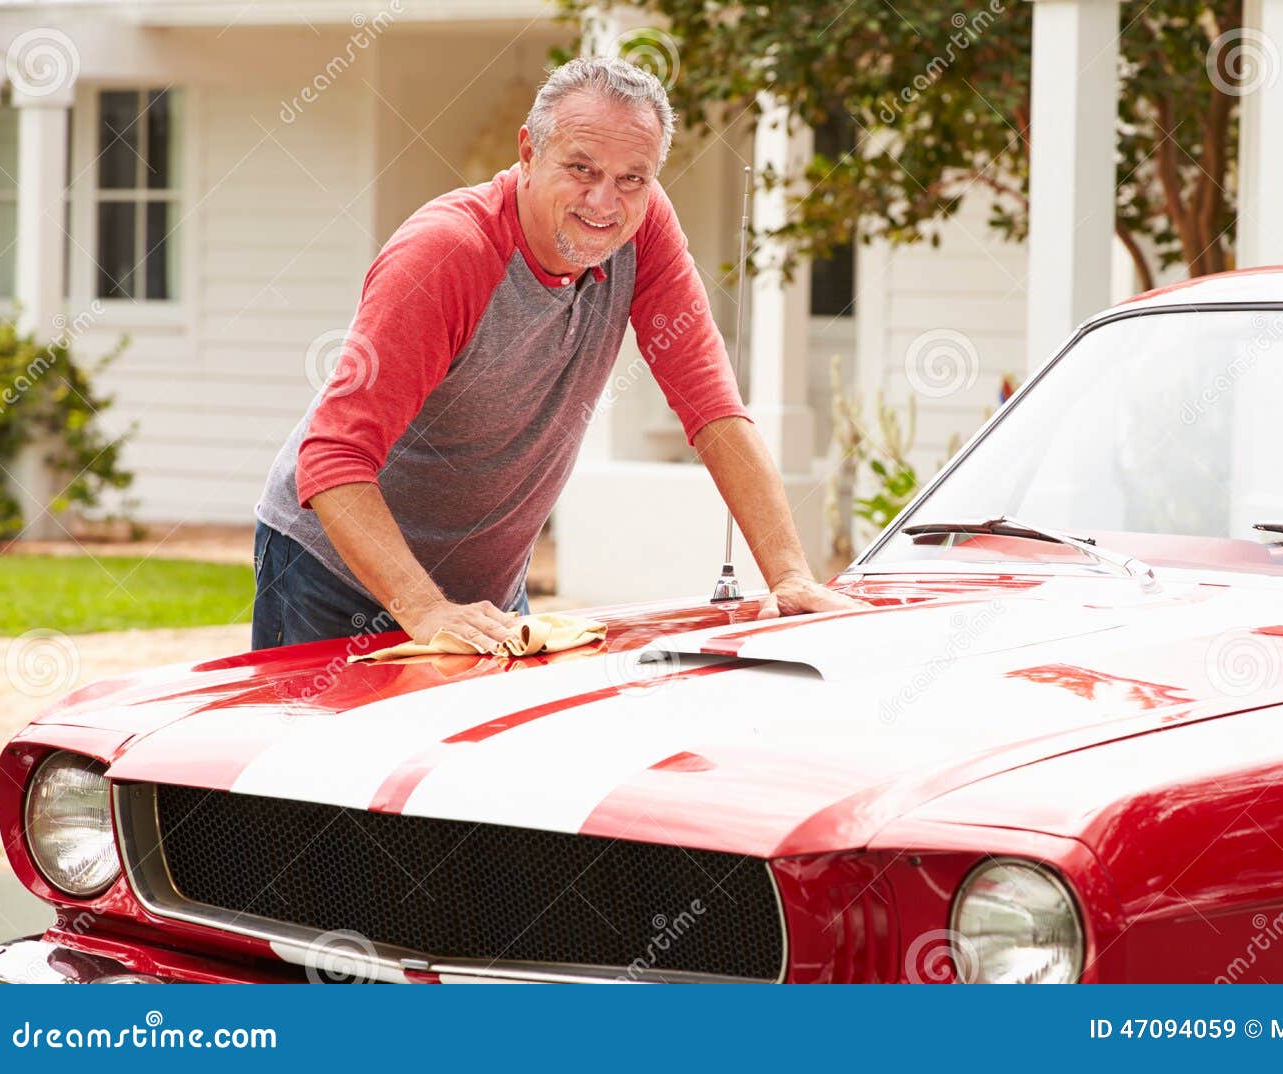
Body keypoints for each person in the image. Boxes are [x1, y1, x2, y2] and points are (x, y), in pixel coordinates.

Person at [251, 56, 856, 651]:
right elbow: (332, 457)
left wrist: (789, 576)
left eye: (631, 178)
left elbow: (713, 407)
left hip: (484, 597)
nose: (604, 202)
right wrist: (425, 608)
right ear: (528, 153)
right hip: (330, 577)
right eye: (581, 168)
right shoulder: (446, 254)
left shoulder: (642, 230)